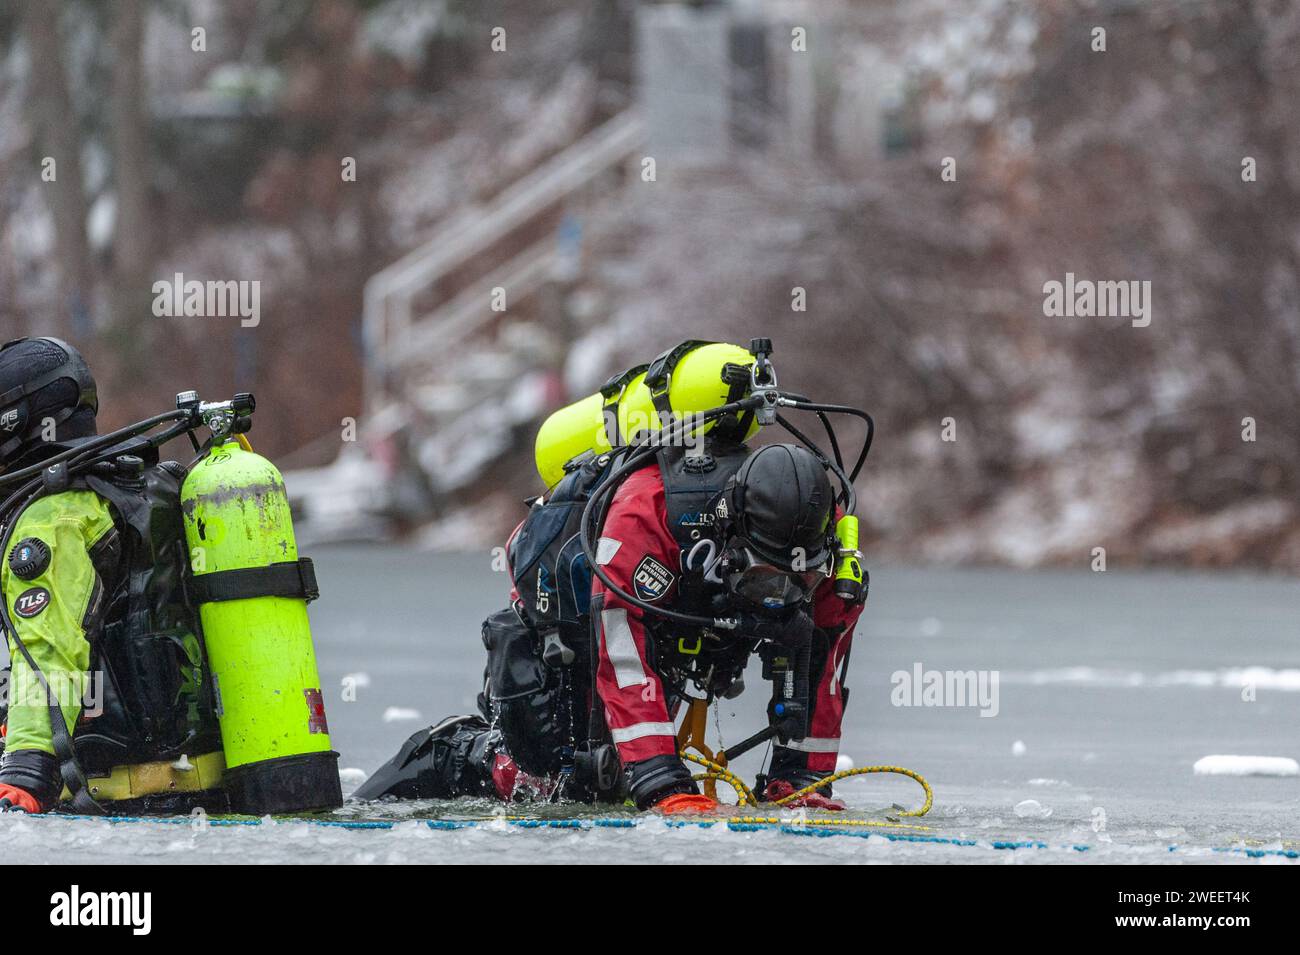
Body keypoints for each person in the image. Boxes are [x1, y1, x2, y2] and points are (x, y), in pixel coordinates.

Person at [359, 362, 868, 813]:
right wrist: (663, 784)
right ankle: (448, 753)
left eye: (795, 577)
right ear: (732, 533)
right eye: (764, 575)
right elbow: (623, 650)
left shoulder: (825, 543)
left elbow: (826, 661)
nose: (780, 590)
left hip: (680, 610)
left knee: (625, 766)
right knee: (569, 779)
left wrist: (801, 778)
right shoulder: (649, 512)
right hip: (583, 607)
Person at [0, 336, 224, 815]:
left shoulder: (52, 519)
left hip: (124, 795)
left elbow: (49, 652)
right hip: (201, 777)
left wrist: (24, 774)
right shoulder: (148, 483)